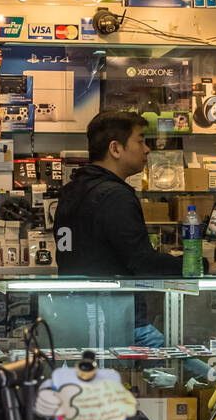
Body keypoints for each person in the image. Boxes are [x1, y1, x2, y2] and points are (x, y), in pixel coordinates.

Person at [55, 112, 181, 351]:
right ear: (115, 148)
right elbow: (142, 262)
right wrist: (195, 266)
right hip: (117, 320)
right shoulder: (115, 195)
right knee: (186, 368)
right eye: (140, 141)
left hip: (79, 318)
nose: (147, 150)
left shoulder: (72, 190)